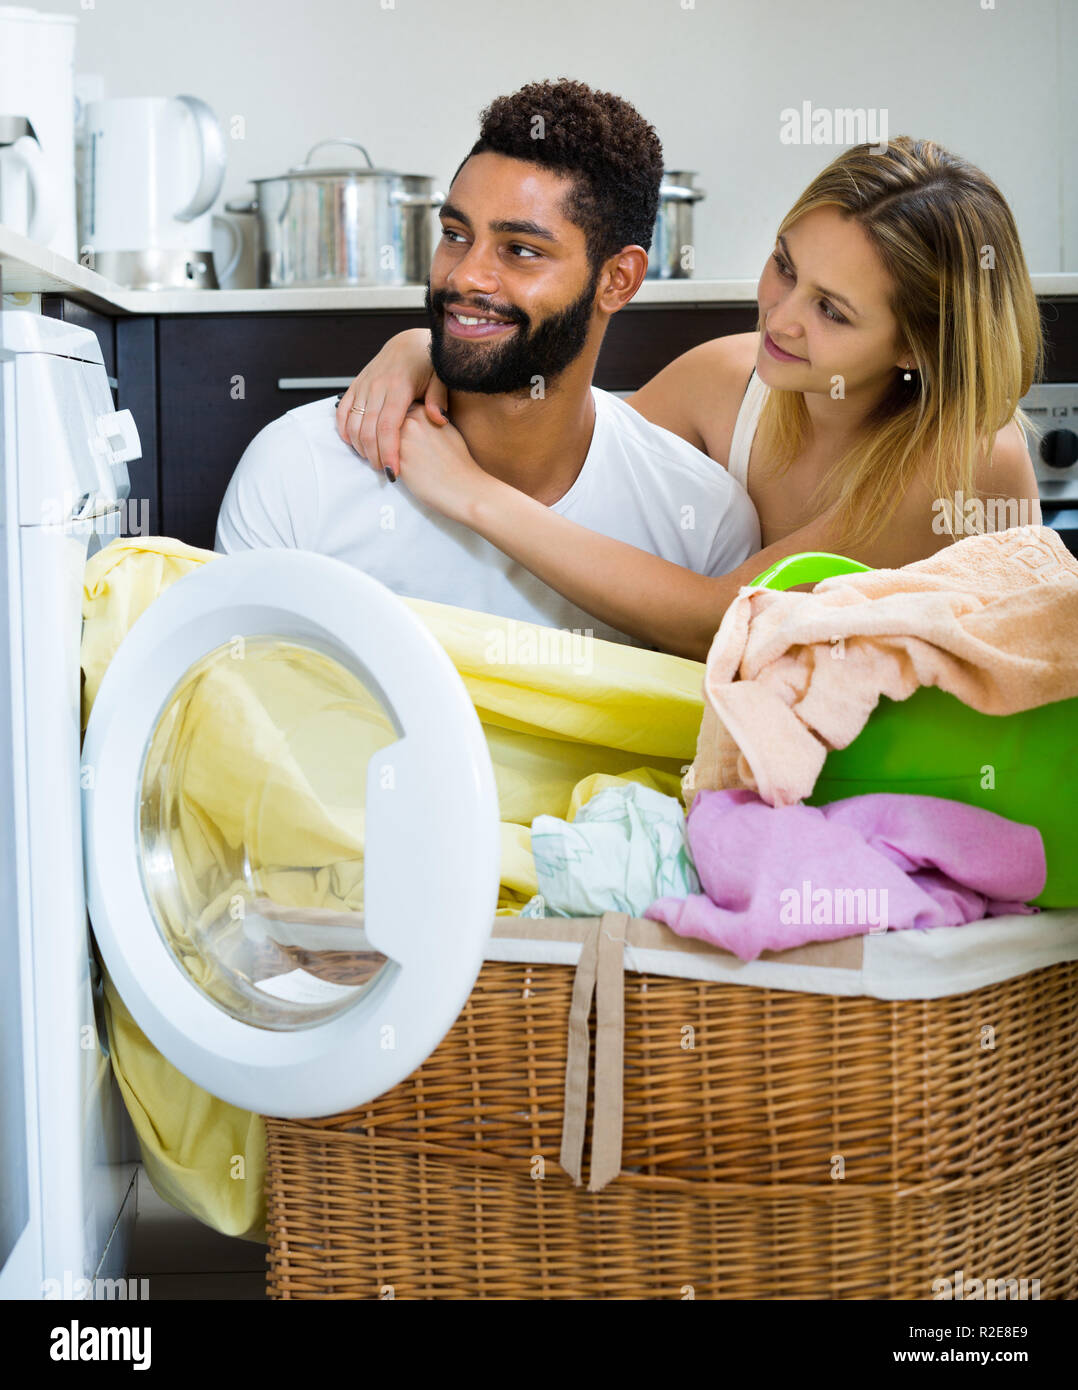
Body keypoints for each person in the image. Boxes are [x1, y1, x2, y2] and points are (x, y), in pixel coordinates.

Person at [338, 136, 1043, 661]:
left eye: (832, 309)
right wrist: (436, 348)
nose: (780, 315)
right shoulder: (728, 379)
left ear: (916, 347)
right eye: (784, 266)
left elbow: (721, 619)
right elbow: (586, 471)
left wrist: (470, 494)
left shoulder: (966, 459)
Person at [215, 79, 759, 647]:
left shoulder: (705, 522)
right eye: (455, 234)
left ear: (617, 280)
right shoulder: (298, 469)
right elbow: (233, 713)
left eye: (521, 250)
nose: (463, 276)